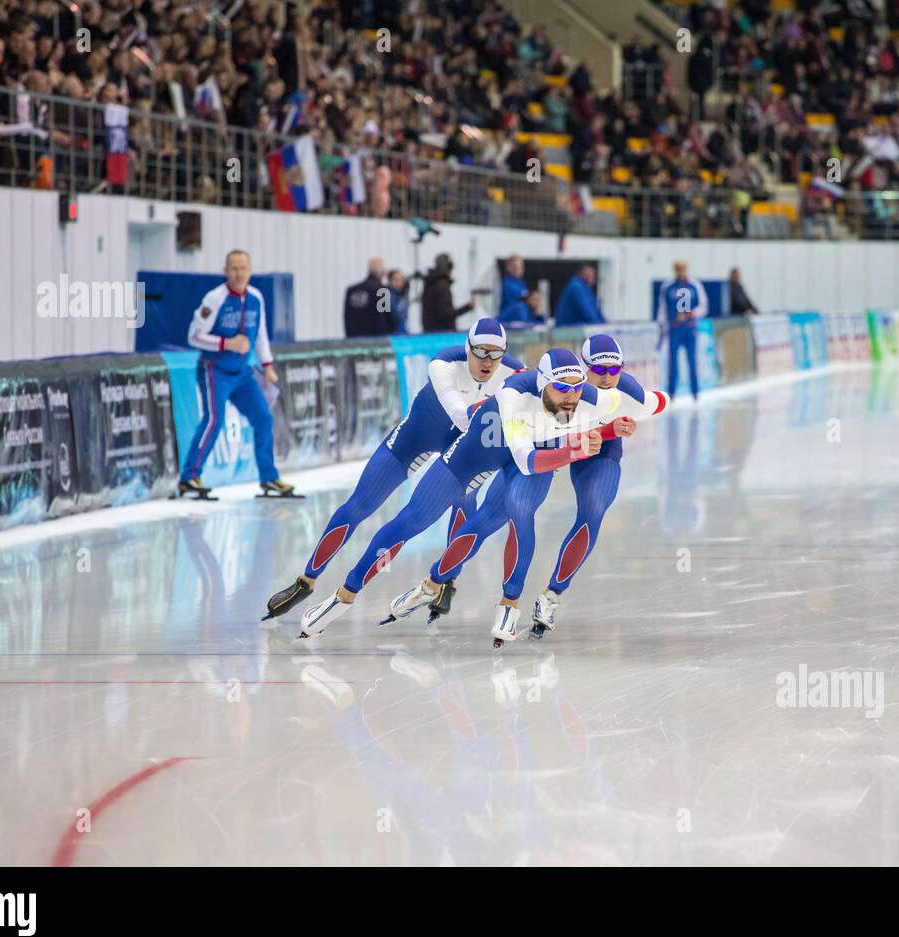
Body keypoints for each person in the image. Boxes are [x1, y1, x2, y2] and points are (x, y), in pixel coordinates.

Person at [289, 349, 643, 644]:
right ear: (543, 384)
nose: (571, 397)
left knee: (518, 513)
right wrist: (574, 451)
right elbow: (524, 458)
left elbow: (651, 402)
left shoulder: (592, 397)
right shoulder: (514, 395)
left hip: (538, 452)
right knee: (412, 519)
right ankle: (345, 596)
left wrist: (617, 423)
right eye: (562, 389)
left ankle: (508, 602)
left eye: (577, 389)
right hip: (488, 450)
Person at [263, 318, 523, 619]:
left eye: (495, 354)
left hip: (463, 448)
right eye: (480, 352)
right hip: (416, 437)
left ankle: (447, 580)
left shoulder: (514, 372)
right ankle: (306, 580)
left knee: (462, 502)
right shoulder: (444, 364)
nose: (487, 361)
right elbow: (461, 416)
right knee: (359, 504)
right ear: (467, 348)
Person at [430, 334, 667, 640]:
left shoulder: (625, 389)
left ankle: (552, 595)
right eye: (599, 370)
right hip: (546, 445)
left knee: (593, 511)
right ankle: (441, 580)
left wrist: (615, 429)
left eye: (614, 370)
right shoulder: (563, 386)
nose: (607, 378)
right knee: (493, 513)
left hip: (595, 450)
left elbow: (659, 401)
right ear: (582, 369)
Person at [178, 250, 295, 499]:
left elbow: (260, 333)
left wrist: (268, 366)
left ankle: (269, 478)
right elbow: (193, 335)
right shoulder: (215, 298)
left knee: (263, 419)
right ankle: (189, 478)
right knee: (214, 420)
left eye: (243, 268)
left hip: (242, 372)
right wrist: (226, 344)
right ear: (225, 271)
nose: (239, 273)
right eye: (233, 268)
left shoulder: (256, 298)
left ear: (250, 270)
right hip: (214, 370)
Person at [656, 259, 708, 400]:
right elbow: (662, 308)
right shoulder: (668, 286)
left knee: (692, 360)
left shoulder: (694, 285)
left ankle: (695, 391)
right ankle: (672, 392)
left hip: (689, 329)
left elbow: (703, 306)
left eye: (682, 268)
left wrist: (692, 313)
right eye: (678, 268)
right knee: (672, 362)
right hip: (674, 329)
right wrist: (661, 325)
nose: (680, 271)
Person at [421, 253, 475, 332]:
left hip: (431, 333)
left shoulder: (431, 283)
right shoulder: (441, 286)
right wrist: (468, 307)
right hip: (442, 334)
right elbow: (446, 314)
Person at [343, 257, 390, 337]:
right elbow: (384, 319)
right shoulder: (382, 290)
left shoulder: (351, 290)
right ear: (382, 273)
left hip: (354, 338)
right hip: (376, 340)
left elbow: (347, 317)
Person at [386, 269, 410, 335]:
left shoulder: (401, 297)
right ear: (389, 281)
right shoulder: (385, 296)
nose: (398, 283)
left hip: (402, 334)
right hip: (391, 336)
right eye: (395, 280)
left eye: (401, 280)